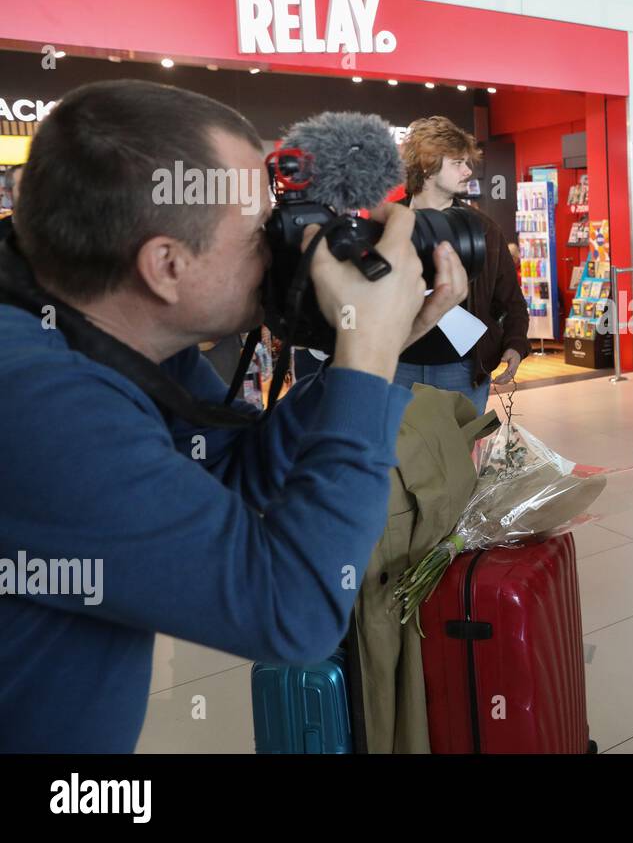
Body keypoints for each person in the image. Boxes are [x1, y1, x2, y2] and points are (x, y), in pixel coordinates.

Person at [0, 80, 468, 752]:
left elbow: (232, 474)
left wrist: (365, 349)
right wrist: (366, 355)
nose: (282, 246)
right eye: (258, 232)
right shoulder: (37, 402)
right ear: (166, 266)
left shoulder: (106, 327)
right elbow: (295, 612)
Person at [395, 116, 529, 414]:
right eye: (457, 163)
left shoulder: (483, 228)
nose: (468, 171)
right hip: (397, 367)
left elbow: (511, 299)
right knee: (396, 459)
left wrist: (516, 344)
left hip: (463, 369)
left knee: (459, 458)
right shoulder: (388, 224)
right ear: (428, 164)